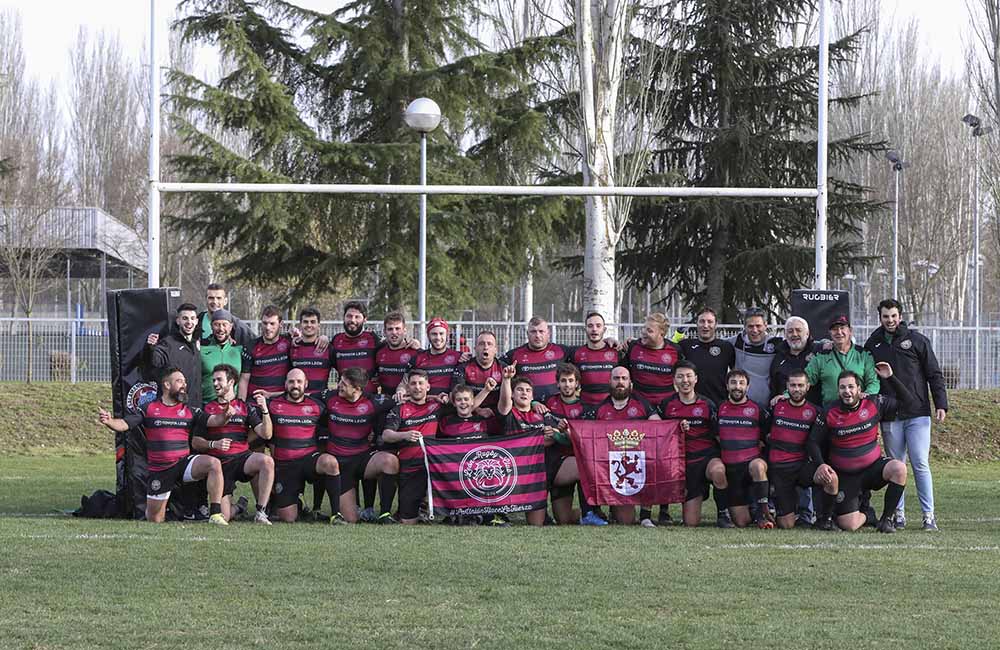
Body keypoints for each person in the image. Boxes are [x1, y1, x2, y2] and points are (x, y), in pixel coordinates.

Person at [98, 367, 229, 525]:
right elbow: (124, 424)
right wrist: (110, 421)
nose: (184, 385)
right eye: (179, 381)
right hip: (160, 470)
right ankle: (153, 510)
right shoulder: (149, 408)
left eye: (185, 382)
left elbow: (215, 421)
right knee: (155, 519)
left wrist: (225, 415)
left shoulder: (190, 411)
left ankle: (215, 514)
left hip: (183, 463)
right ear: (167, 385)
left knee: (213, 464)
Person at [864, 298, 949, 531]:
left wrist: (941, 403)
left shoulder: (917, 340)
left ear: (900, 316)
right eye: (885, 316)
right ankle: (897, 514)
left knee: (920, 462)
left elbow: (934, 374)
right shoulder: (873, 343)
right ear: (880, 318)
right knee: (896, 465)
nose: (890, 320)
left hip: (917, 412)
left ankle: (928, 516)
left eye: (893, 316)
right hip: (890, 415)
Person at [807, 364, 917, 533]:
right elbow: (813, 441)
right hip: (846, 476)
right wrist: (821, 464)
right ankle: (868, 514)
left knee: (899, 469)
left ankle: (886, 520)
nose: (847, 391)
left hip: (872, 469)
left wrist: (890, 378)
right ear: (838, 391)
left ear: (859, 389)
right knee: (849, 525)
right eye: (843, 387)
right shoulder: (829, 411)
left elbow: (909, 403)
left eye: (851, 387)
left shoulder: (873, 403)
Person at [191, 363, 275, 523]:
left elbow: (266, 433)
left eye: (219, 380)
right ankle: (239, 507)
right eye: (213, 380)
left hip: (242, 459)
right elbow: (195, 442)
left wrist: (264, 409)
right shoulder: (207, 408)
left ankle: (261, 512)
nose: (215, 384)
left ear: (231, 382)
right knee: (225, 516)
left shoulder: (245, 407)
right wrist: (213, 444)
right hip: (219, 465)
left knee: (267, 461)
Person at [320, 367, 401, 524]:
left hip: (362, 460)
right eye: (340, 381)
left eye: (344, 384)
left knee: (390, 461)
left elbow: (401, 400)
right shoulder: (330, 397)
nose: (339, 386)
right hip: (339, 464)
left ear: (357, 389)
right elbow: (305, 398)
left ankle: (385, 514)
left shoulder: (373, 401)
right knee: (351, 519)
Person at [623, 312, 682, 525]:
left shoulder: (675, 351)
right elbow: (621, 372)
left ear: (662, 333)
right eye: (643, 329)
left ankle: (664, 509)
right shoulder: (633, 348)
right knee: (643, 461)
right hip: (640, 412)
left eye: (649, 330)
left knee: (664, 461)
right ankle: (642, 511)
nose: (644, 333)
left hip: (666, 413)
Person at [583, 366, 661, 526]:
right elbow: (585, 434)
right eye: (616, 378)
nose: (620, 382)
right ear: (609, 382)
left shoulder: (642, 404)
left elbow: (659, 427)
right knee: (626, 521)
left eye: (624, 378)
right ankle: (599, 509)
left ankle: (645, 516)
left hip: (638, 460)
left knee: (652, 463)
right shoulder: (599, 408)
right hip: (608, 465)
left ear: (630, 383)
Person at [267, 369, 346, 524]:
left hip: (308, 459)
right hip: (285, 464)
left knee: (330, 462)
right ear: (285, 384)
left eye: (299, 381)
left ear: (306, 384)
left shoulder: (318, 406)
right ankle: (298, 502)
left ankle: (335, 514)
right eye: (291, 381)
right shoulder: (273, 405)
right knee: (288, 518)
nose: (295, 385)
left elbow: (331, 426)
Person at [658, 361, 729, 528]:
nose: (685, 380)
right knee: (691, 523)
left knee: (718, 471)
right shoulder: (666, 405)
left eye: (689, 376)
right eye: (680, 376)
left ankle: (723, 514)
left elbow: (718, 435)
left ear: (696, 379)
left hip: (706, 458)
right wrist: (675, 427)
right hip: (681, 462)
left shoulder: (707, 404)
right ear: (674, 380)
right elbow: (656, 430)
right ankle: (665, 510)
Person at [768, 315, 823, 526]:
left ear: (808, 333)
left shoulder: (818, 350)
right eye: (790, 331)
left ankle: (812, 512)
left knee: (811, 461)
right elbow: (774, 384)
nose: (794, 334)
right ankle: (782, 507)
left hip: (811, 418)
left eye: (798, 330)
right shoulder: (779, 356)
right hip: (787, 417)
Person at [766, 370, 836, 530]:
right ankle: (787, 510)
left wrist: (821, 464)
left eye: (800, 385)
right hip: (780, 469)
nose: (796, 389)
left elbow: (818, 441)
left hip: (802, 466)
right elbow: (764, 432)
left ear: (807, 386)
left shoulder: (815, 411)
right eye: (793, 385)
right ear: (787, 386)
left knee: (831, 478)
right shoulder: (776, 407)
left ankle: (825, 518)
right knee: (786, 524)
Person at [544, 363, 607, 526]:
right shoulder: (548, 402)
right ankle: (592, 513)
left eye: (571, 381)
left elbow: (585, 442)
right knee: (563, 519)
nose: (567, 385)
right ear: (557, 383)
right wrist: (534, 404)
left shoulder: (585, 408)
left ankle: (589, 513)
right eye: (563, 381)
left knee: (585, 464)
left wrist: (563, 434)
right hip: (555, 461)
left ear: (577, 383)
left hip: (576, 459)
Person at [380, 369, 444, 524]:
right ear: (408, 387)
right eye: (413, 384)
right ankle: (413, 509)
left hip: (433, 467)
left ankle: (428, 506)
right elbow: (386, 435)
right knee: (408, 521)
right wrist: (404, 435)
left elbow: (465, 404)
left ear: (428, 386)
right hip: (410, 469)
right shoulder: (400, 408)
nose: (417, 387)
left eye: (421, 383)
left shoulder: (437, 406)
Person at [716, 369, 773, 529]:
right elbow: (715, 435)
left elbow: (768, 435)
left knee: (758, 465)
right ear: (727, 386)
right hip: (731, 470)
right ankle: (752, 511)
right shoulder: (719, 408)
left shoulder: (757, 409)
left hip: (750, 467)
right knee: (742, 522)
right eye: (733, 383)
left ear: (747, 387)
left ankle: (762, 513)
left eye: (742, 383)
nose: (737, 387)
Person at [495, 365, 551, 527]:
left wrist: (551, 434)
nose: (524, 393)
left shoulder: (541, 415)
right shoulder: (508, 412)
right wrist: (506, 379)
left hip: (534, 471)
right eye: (519, 390)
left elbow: (550, 439)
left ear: (532, 395)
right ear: (512, 394)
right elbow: (504, 402)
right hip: (511, 469)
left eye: (528, 390)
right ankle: (497, 513)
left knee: (536, 524)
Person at [803, 315, 879, 405]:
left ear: (850, 331)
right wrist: (790, 396)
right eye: (835, 329)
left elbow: (873, 382)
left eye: (842, 328)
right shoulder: (821, 357)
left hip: (859, 409)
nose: (839, 332)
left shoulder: (864, 354)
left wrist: (867, 395)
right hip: (831, 410)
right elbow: (805, 380)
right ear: (830, 333)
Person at [144, 303, 204, 408]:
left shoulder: (196, 343)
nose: (189, 322)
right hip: (174, 409)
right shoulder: (167, 344)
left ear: (196, 321)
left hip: (196, 406)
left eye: (192, 318)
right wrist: (150, 347)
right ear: (178, 321)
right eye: (185, 318)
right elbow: (154, 361)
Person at [500, 317, 572, 403]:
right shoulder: (514, 355)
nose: (537, 335)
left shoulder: (561, 351)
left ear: (548, 333)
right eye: (533, 332)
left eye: (541, 331)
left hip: (556, 406)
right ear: (527, 334)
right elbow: (494, 367)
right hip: (528, 408)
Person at [678, 308, 735, 406]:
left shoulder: (726, 347)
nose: (705, 325)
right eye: (702, 321)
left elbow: (735, 373)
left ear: (716, 324)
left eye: (710, 322)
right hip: (690, 404)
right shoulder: (685, 346)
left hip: (719, 403)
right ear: (696, 323)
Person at [452, 331, 507, 432]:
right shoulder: (463, 368)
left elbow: (509, 402)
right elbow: (457, 399)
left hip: (498, 417)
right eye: (481, 344)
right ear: (475, 348)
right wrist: (478, 410)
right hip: (470, 416)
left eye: (489, 344)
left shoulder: (504, 368)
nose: (485, 347)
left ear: (496, 349)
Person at [730, 307, 782, 409]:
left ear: (765, 325)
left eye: (758, 326)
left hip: (766, 406)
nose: (754, 330)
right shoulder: (735, 342)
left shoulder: (776, 344)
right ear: (744, 326)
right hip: (740, 405)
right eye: (750, 326)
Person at [239, 305, 293, 401]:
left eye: (272, 323)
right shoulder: (251, 346)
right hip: (255, 402)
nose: (268, 327)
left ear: (281, 324)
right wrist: (241, 405)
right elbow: (244, 379)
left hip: (281, 402)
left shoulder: (289, 343)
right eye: (265, 323)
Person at [407, 317, 463, 398]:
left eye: (441, 333)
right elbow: (405, 383)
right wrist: (401, 390)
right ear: (428, 336)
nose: (438, 338)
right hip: (425, 404)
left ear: (447, 335)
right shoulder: (417, 358)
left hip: (450, 404)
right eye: (434, 334)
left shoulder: (459, 357)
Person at [199, 309, 245, 403]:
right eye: (217, 324)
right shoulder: (201, 349)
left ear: (231, 326)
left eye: (224, 324)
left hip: (232, 406)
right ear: (211, 326)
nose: (221, 328)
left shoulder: (239, 350)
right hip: (207, 405)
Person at [375, 311, 419, 396]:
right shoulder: (379, 351)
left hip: (407, 400)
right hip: (385, 400)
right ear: (384, 331)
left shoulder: (415, 352)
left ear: (404, 331)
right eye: (390, 329)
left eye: (397, 328)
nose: (394, 332)